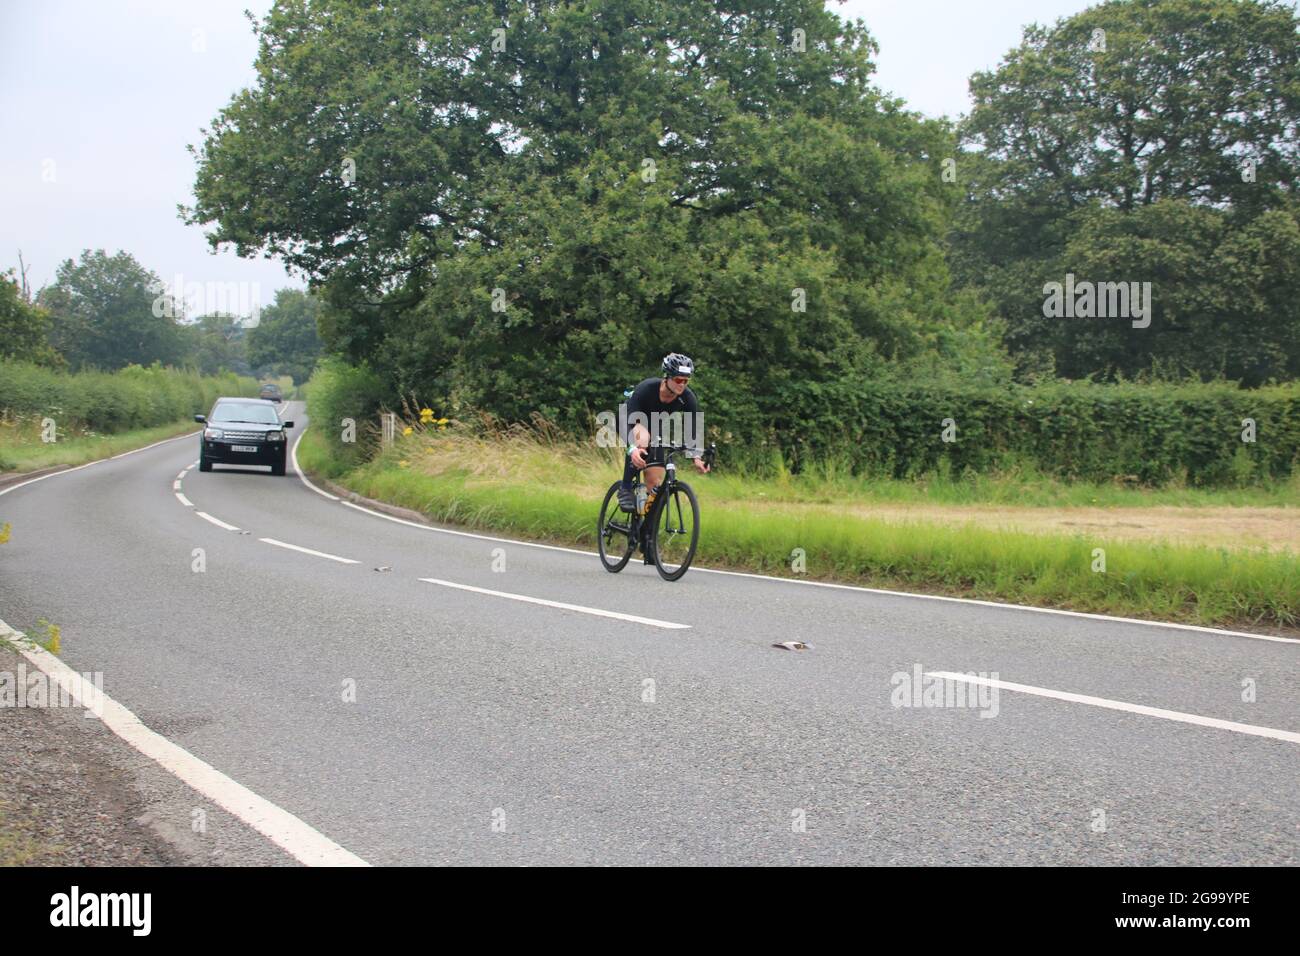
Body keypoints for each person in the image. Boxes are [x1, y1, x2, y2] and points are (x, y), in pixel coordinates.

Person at [618, 352, 710, 516]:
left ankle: (644, 530)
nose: (682, 384)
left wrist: (696, 457)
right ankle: (625, 488)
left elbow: (693, 429)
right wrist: (632, 449)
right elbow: (630, 422)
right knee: (643, 439)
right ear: (667, 377)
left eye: (686, 381)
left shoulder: (687, 397)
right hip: (631, 418)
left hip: (654, 427)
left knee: (654, 483)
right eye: (678, 380)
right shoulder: (647, 388)